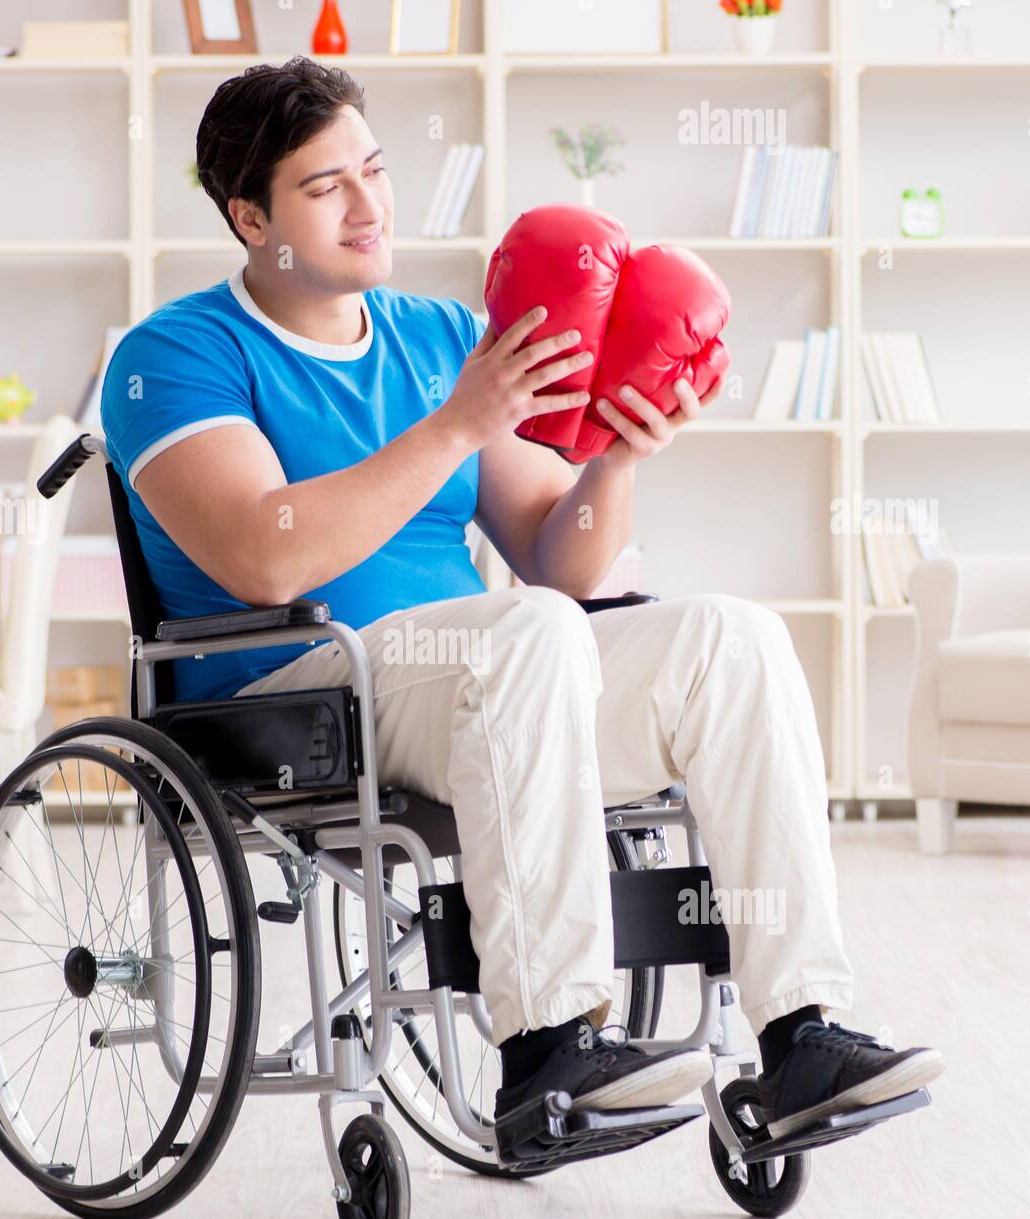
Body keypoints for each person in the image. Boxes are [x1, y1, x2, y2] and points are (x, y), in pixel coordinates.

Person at [100, 56, 944, 1139]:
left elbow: (561, 563)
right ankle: (549, 1050)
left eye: (375, 169)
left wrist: (619, 457)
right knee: (529, 632)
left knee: (732, 637)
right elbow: (264, 560)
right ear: (249, 215)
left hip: (488, 680)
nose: (369, 206)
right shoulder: (172, 355)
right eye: (325, 188)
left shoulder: (442, 337)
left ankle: (800, 1038)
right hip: (297, 695)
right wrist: (455, 424)